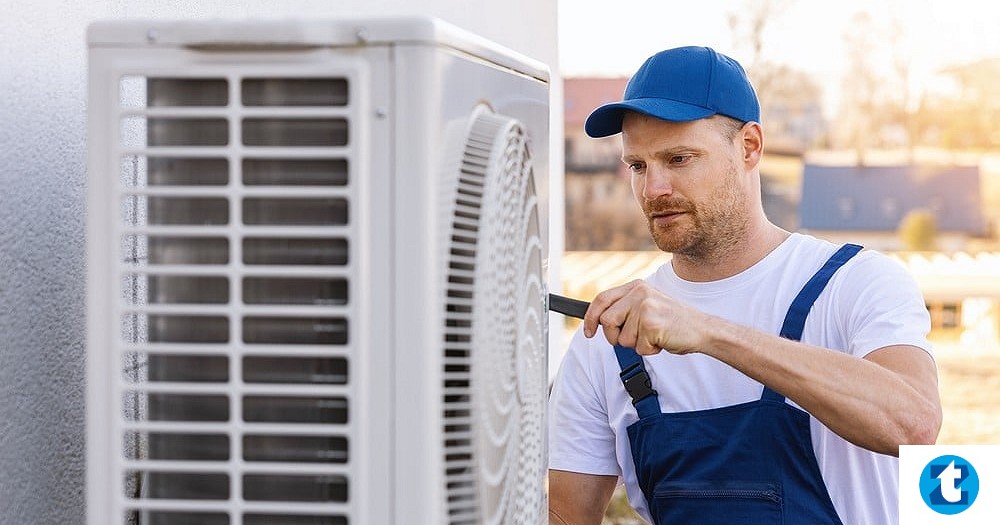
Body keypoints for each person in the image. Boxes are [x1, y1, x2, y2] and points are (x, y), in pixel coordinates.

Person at [547, 46, 942, 525]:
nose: (654, 189)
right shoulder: (607, 341)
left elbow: (915, 425)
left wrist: (709, 332)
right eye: (638, 166)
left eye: (678, 158)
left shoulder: (853, 282)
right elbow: (564, 517)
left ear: (750, 146)